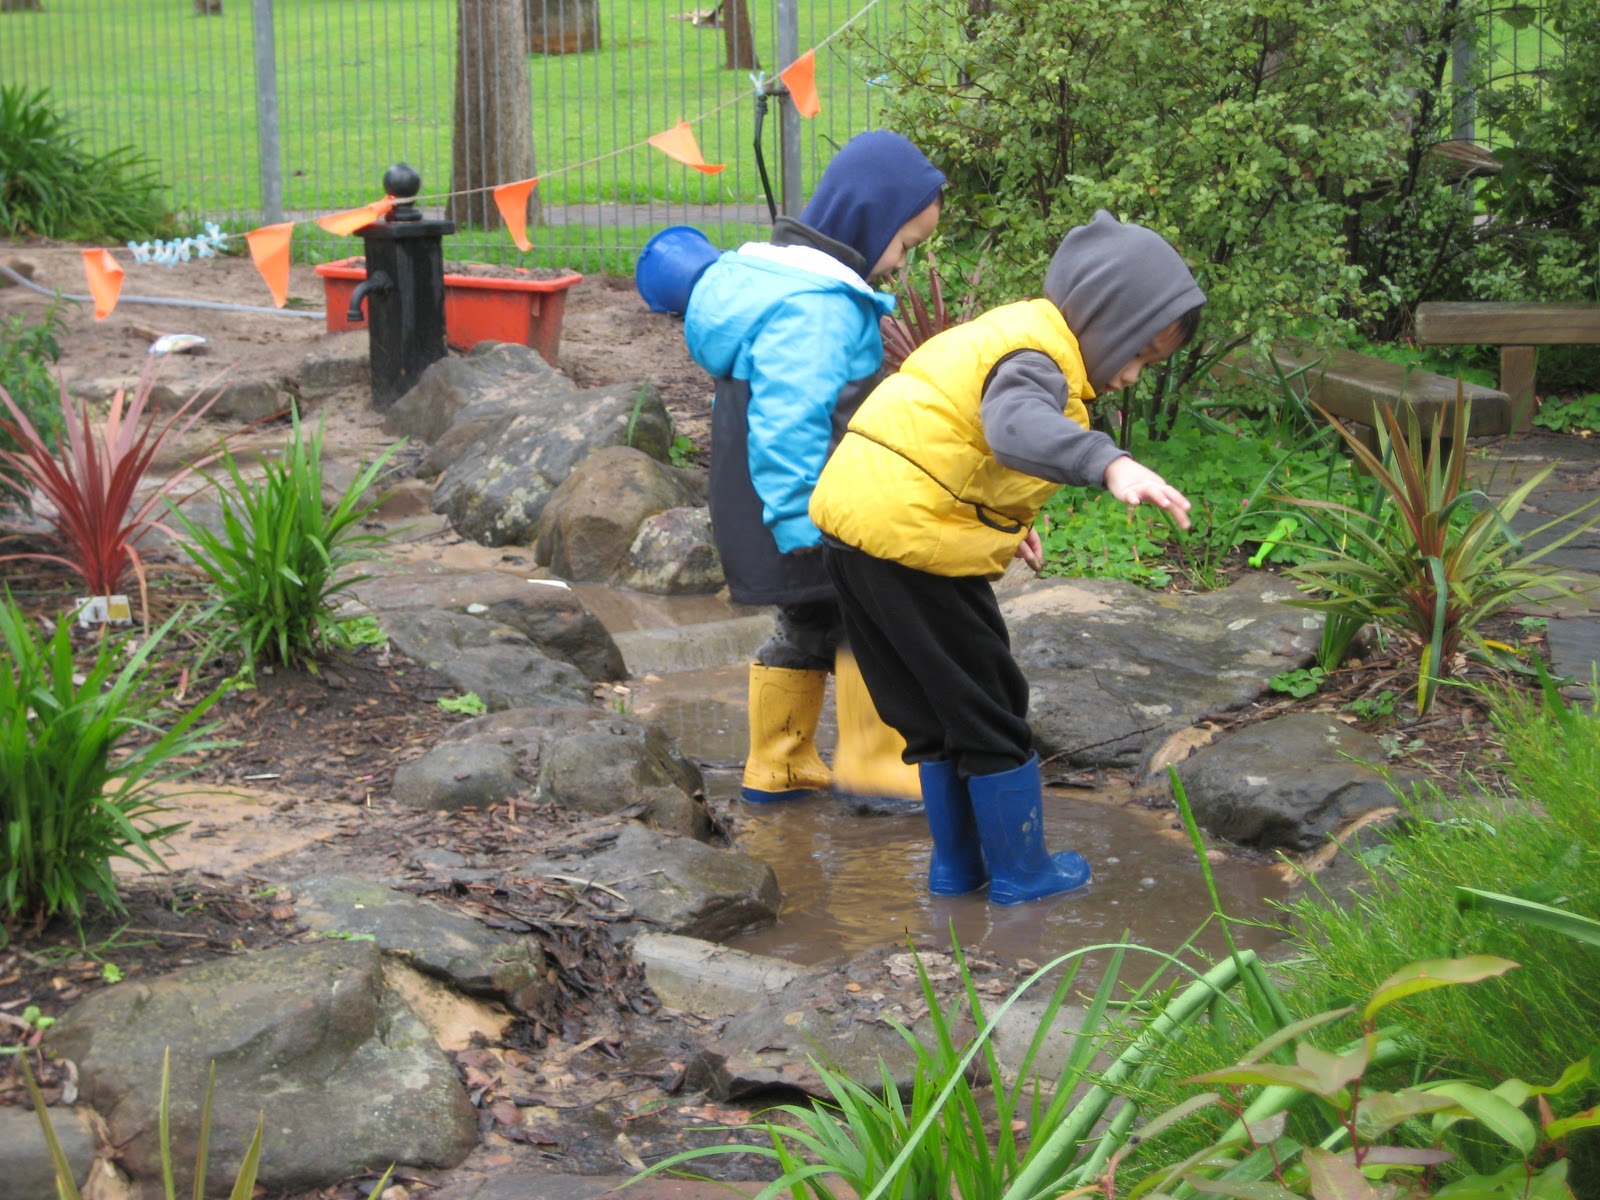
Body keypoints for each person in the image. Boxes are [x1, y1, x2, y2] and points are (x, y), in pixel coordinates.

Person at [808, 210, 1206, 905]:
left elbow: (952, 438)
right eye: (1138, 354)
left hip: (858, 527)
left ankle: (956, 870)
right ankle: (1023, 876)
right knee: (989, 705)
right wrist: (1107, 463)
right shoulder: (1037, 358)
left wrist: (1002, 520)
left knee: (928, 710)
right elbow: (1015, 426)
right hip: (912, 541)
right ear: (1103, 319)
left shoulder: (1005, 335)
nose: (1135, 377)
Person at [675, 130, 946, 807]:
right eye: (905, 244)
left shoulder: (772, 286)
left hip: (756, 506)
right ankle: (880, 768)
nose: (902, 264)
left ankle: (779, 762)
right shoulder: (816, 308)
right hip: (806, 509)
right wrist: (803, 521)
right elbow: (792, 421)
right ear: (872, 220)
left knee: (807, 624)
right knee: (869, 624)